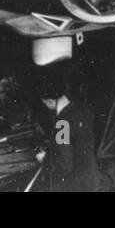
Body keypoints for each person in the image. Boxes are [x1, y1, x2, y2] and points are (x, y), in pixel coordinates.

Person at [34, 57, 99, 192]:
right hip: (91, 178)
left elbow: (64, 165)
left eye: (44, 102)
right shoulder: (83, 109)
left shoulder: (62, 123)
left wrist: (45, 159)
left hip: (74, 186)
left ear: (50, 101)